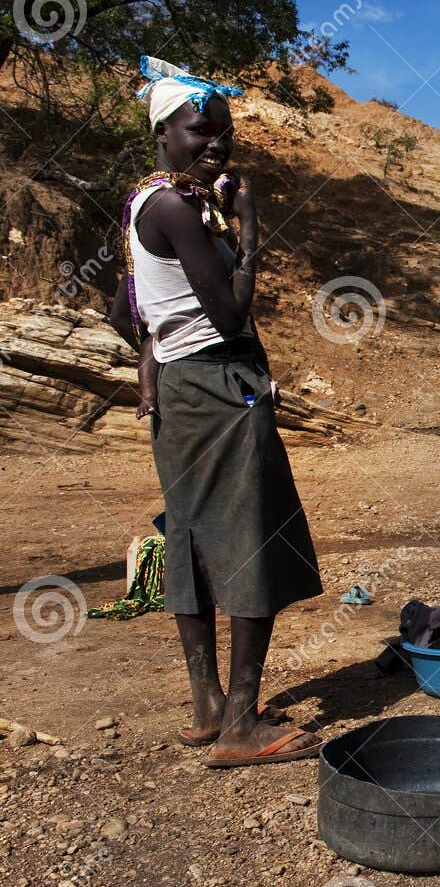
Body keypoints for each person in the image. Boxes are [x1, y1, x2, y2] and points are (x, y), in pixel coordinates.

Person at [108, 55, 323, 766]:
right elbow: (230, 314)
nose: (217, 143)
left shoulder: (150, 203)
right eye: (200, 130)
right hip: (221, 386)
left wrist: (160, 350)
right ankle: (240, 724)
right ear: (163, 133)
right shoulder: (177, 208)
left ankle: (208, 706)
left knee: (194, 542)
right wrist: (250, 228)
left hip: (181, 390)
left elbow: (122, 310)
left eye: (224, 132)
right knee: (251, 538)